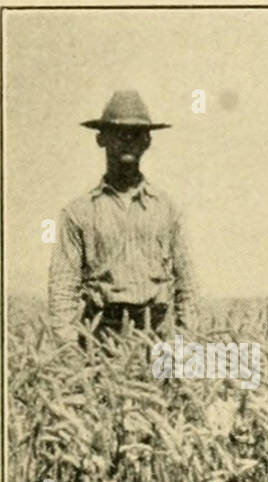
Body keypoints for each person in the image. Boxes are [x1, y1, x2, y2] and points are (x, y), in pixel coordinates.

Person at [48, 90, 197, 348]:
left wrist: (183, 344)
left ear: (147, 142)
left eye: (136, 134)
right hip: (99, 337)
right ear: (101, 139)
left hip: (157, 336)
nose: (128, 141)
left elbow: (187, 285)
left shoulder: (168, 209)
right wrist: (70, 351)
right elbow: (62, 289)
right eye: (119, 133)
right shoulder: (77, 212)